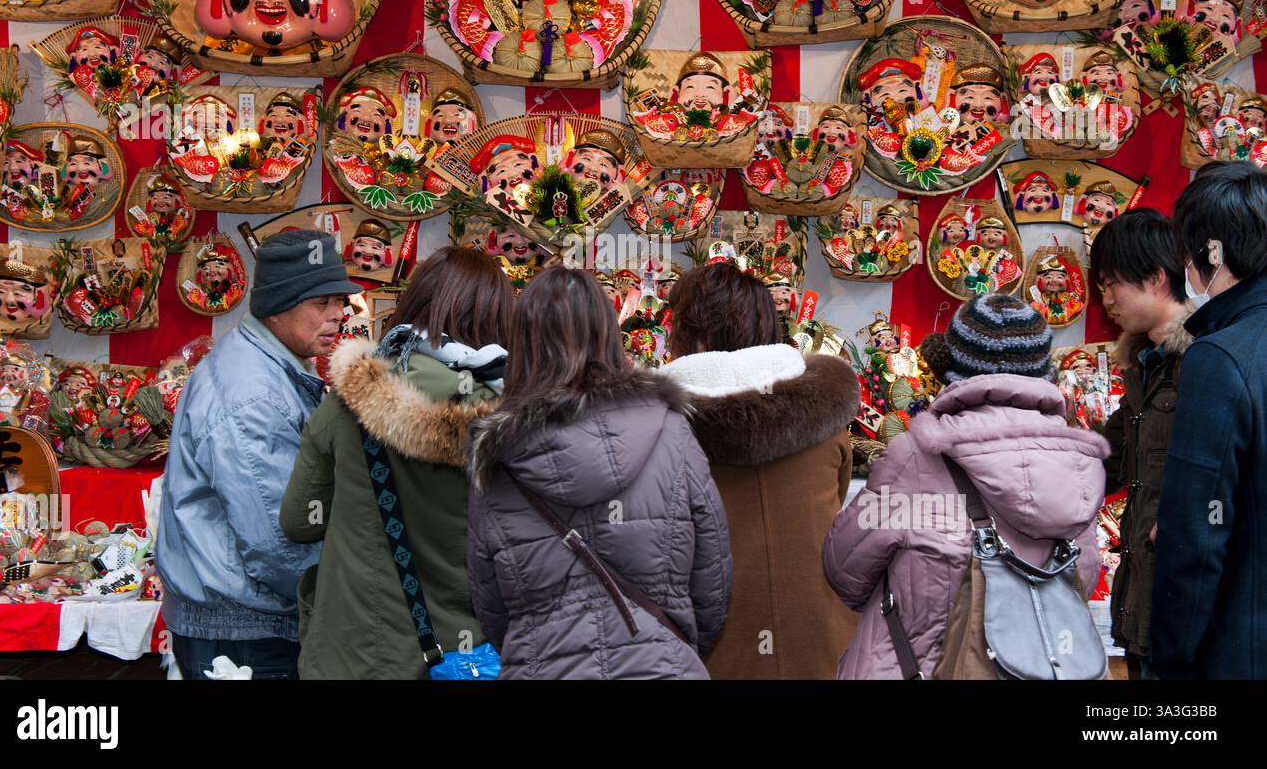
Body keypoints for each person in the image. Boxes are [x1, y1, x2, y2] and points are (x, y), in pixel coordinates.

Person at [466, 266, 731, 679]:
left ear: (522, 345)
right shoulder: (669, 430)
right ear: (609, 333)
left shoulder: (497, 456)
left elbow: (491, 602)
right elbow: (711, 578)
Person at [823, 293, 1107, 679]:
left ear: (952, 368)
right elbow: (1082, 577)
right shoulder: (1078, 466)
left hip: (918, 667)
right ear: (1044, 373)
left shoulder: (916, 457)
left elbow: (845, 568)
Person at [279, 248, 513, 679]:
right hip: (462, 653)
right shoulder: (507, 420)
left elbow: (299, 521)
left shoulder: (348, 397)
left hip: (348, 651)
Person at [156, 230, 357, 680]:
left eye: (339, 302)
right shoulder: (253, 394)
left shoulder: (270, 362)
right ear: (278, 305)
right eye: (321, 303)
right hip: (243, 629)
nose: (338, 316)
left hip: (247, 617)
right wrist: (346, 600)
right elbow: (276, 539)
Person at [660, 263, 861, 679]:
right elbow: (838, 500)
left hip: (712, 654)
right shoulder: (824, 422)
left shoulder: (658, 432)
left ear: (692, 334)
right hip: (827, 645)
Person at [1152, 161, 1267, 680]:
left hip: (1238, 648)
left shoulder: (1221, 358)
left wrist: (1171, 660)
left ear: (1211, 252)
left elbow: (1197, 528)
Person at [1090, 209, 1193, 680]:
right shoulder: (1144, 366)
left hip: (1183, 603)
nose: (1105, 298)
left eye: (1112, 283)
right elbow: (1103, 461)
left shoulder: (1205, 363)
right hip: (1139, 603)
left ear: (1154, 278)